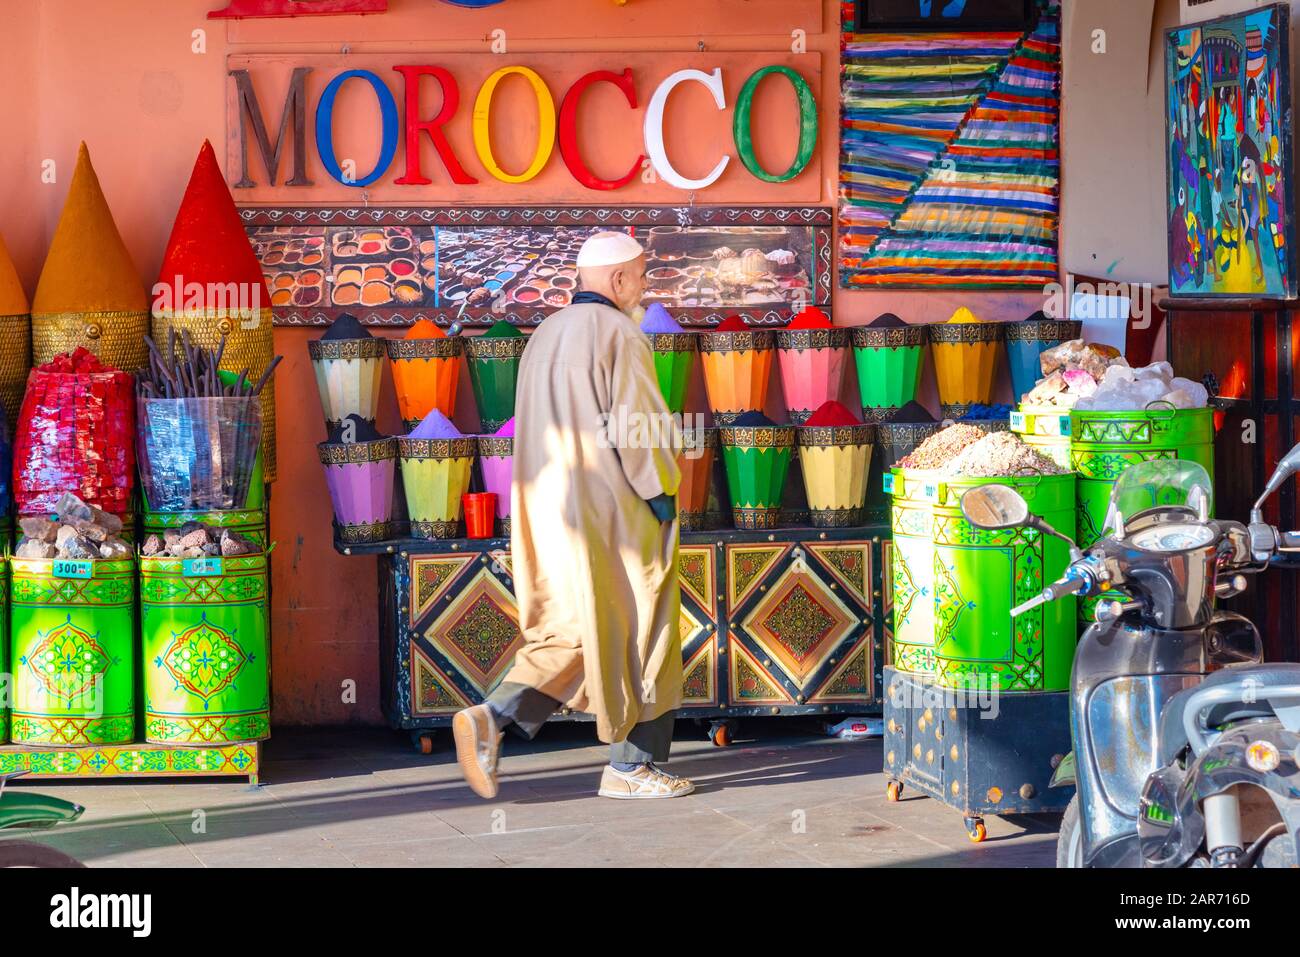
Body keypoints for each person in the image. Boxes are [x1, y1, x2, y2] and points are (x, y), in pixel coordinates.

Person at [452, 231, 693, 801]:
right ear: (617, 281)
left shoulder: (545, 333)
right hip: (614, 513)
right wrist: (662, 495)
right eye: (639, 276)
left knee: (574, 627)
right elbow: (638, 427)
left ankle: (494, 715)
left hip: (548, 510)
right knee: (645, 627)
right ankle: (631, 768)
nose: (643, 287)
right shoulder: (621, 334)